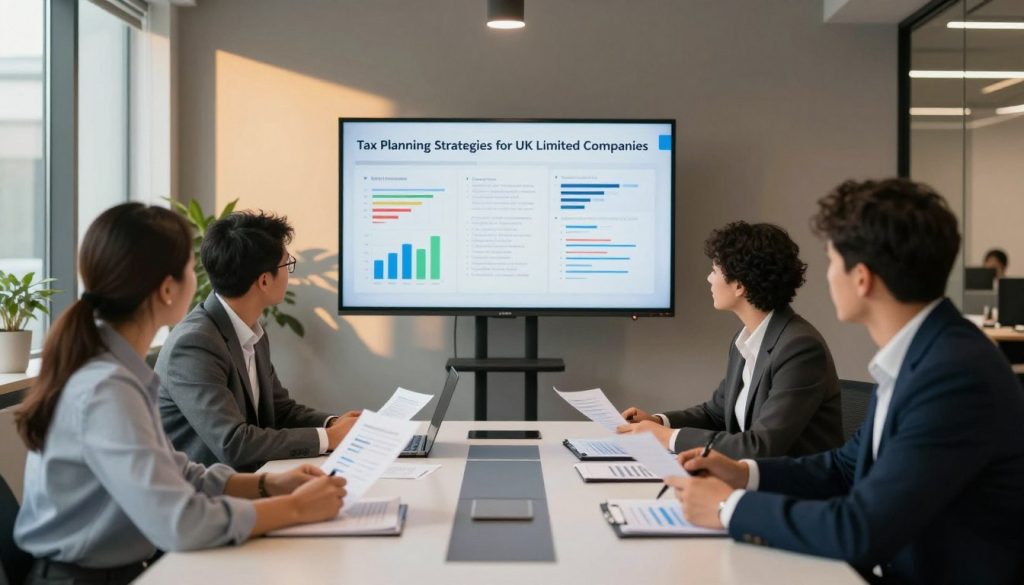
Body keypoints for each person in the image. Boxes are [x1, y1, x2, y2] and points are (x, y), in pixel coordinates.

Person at [668, 179, 1024, 584]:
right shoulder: (922, 356)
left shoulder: (954, 375)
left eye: (832, 262)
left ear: (861, 279)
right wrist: (743, 473)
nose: (827, 276)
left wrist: (727, 508)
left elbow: (861, 529)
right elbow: (842, 469)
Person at [13, 203, 347, 585]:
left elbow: (179, 471)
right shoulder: (107, 389)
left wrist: (267, 485)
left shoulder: (118, 372)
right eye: (191, 267)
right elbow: (182, 522)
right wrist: (294, 509)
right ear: (168, 289)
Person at [617, 221, 843, 458]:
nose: (709, 279)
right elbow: (716, 414)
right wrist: (659, 422)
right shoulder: (746, 339)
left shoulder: (799, 348)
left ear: (738, 286)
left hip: (790, 489)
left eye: (715, 270)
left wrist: (666, 437)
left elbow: (761, 446)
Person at [156, 211, 359, 471]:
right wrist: (329, 438)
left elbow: (280, 410)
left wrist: (335, 424)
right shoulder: (195, 344)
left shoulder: (249, 330)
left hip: (251, 480)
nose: (289, 274)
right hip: (207, 497)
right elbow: (234, 443)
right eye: (287, 265)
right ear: (264, 280)